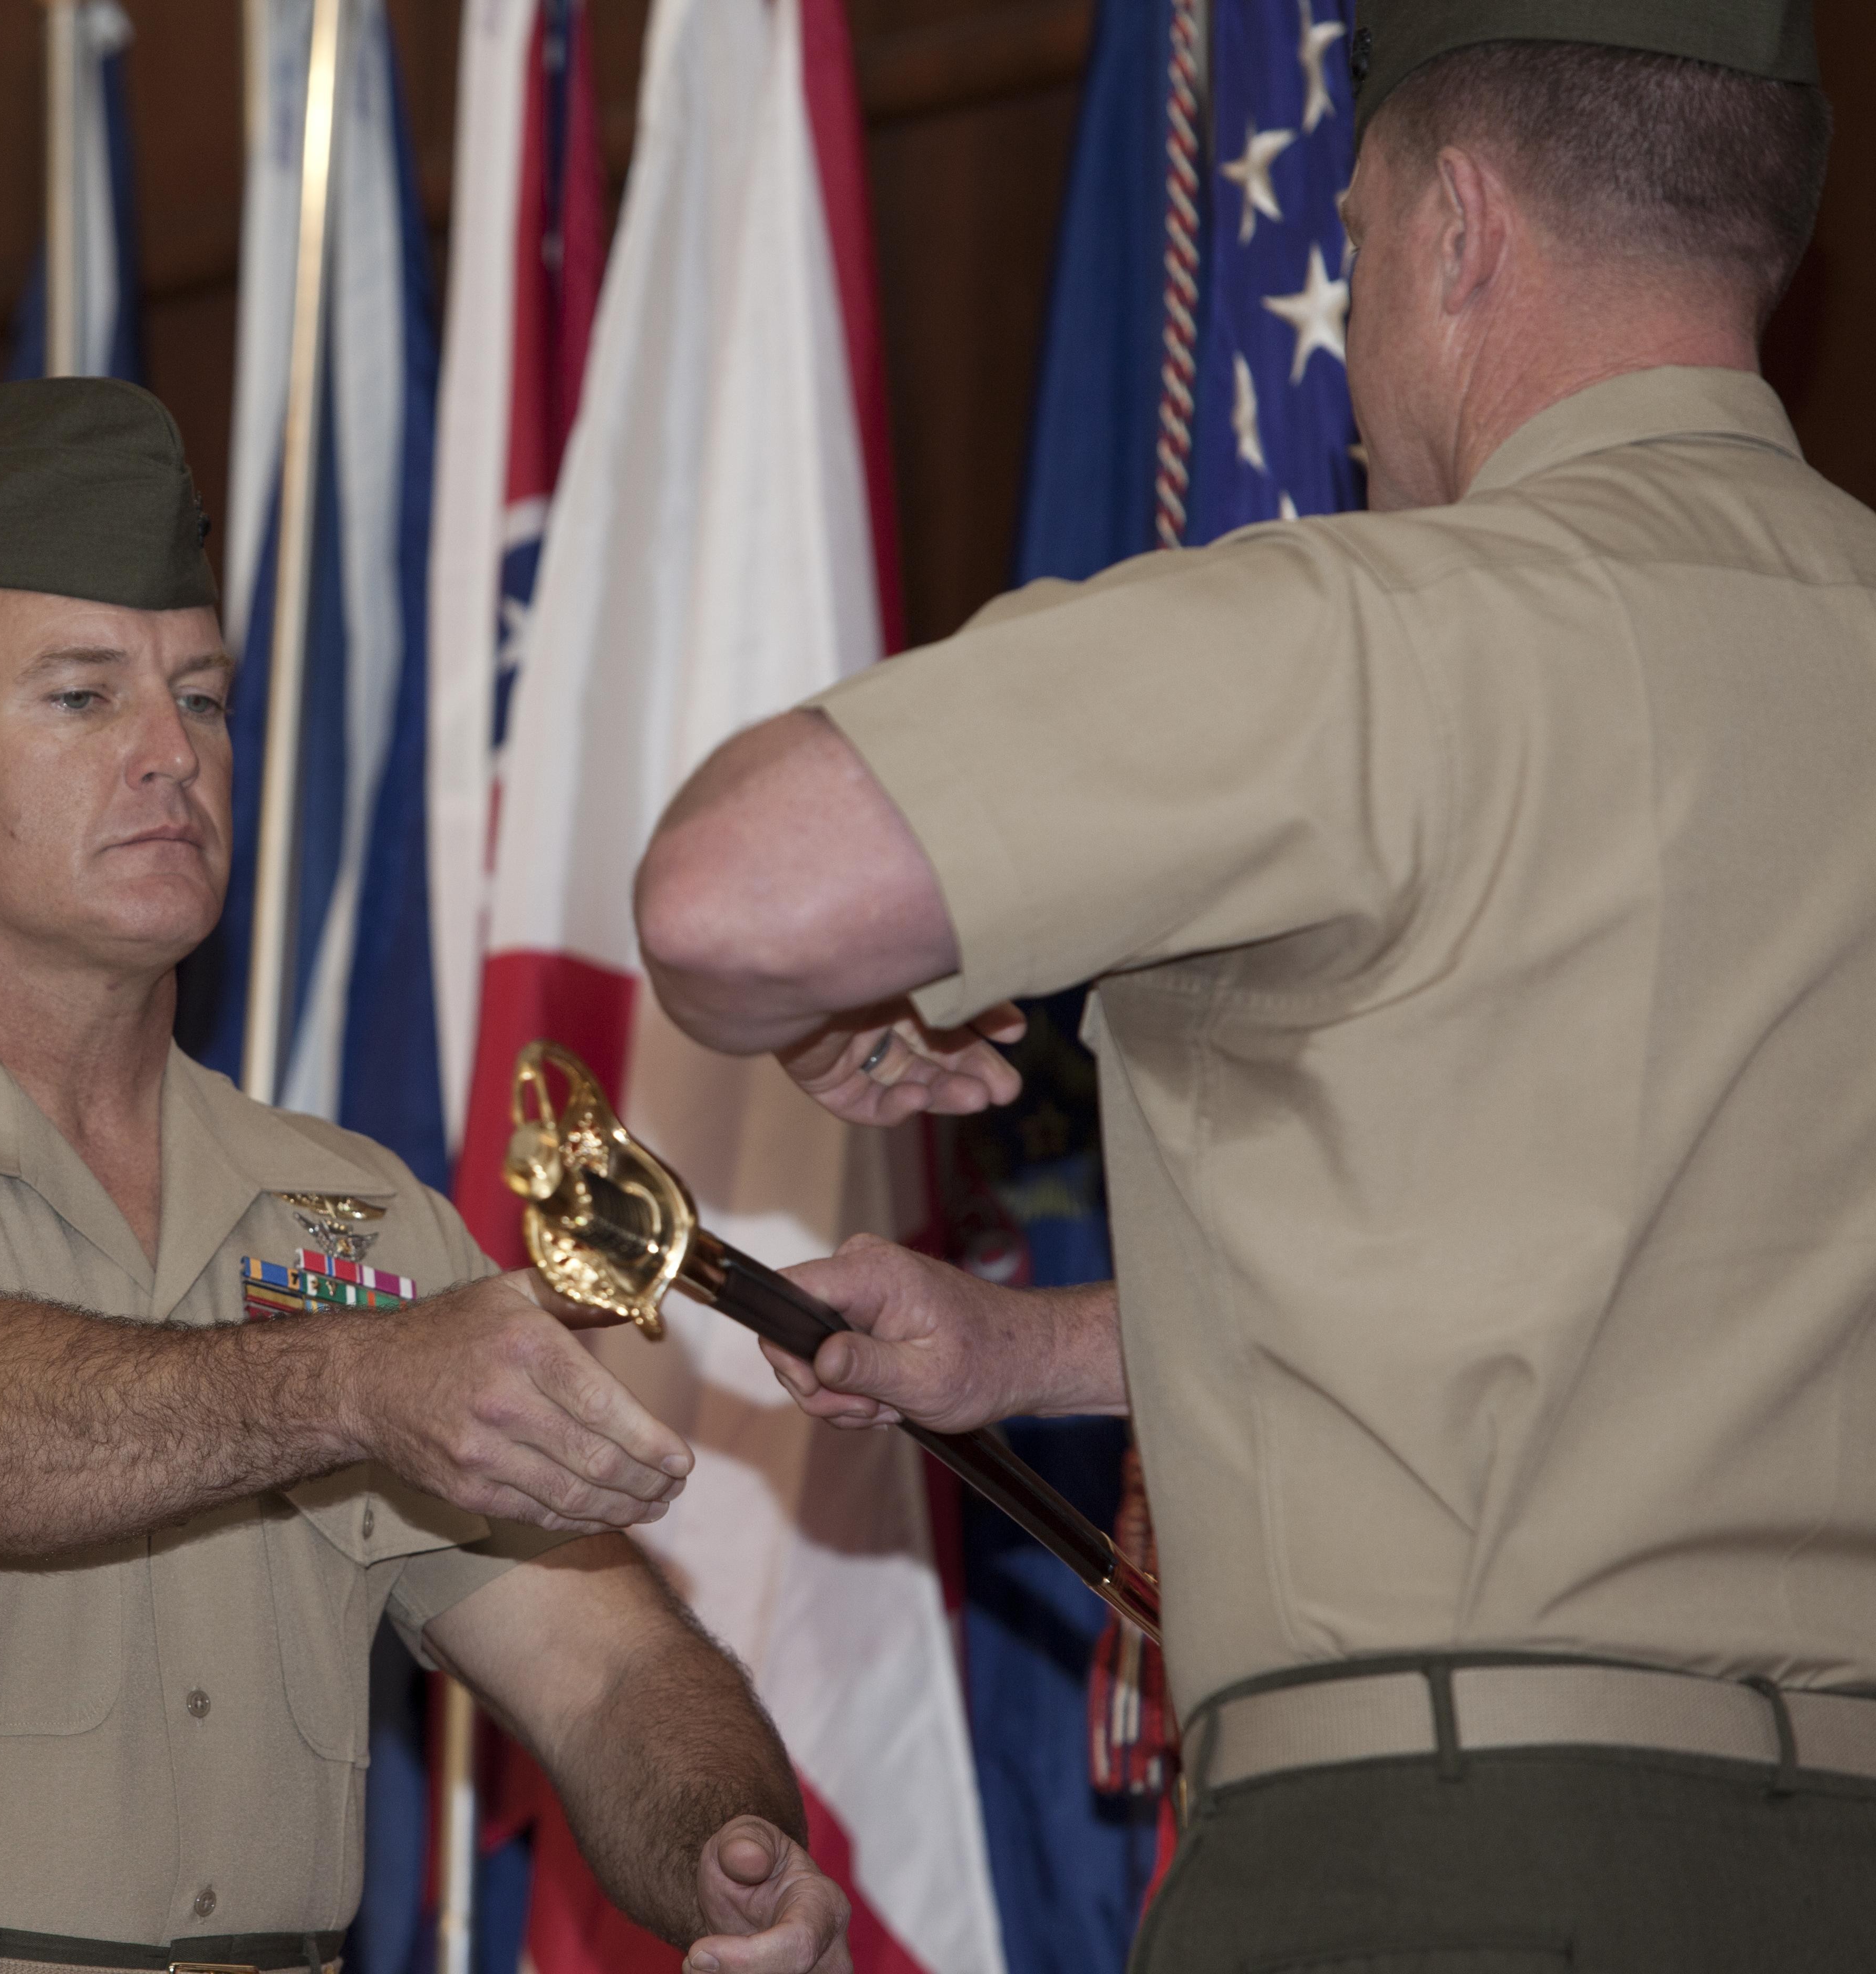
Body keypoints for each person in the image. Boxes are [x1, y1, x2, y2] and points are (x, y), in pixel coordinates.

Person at [634, 3, 1876, 1967]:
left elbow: (727, 894)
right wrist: (1031, 1357)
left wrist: (817, 995)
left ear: (1460, 230)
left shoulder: (1377, 633)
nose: (1362, 320)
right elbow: (1637, 1265)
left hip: (1445, 1873)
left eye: (1359, 243)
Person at [0, 379, 848, 1974]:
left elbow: (599, 1660)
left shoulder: (357, 1212)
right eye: (85, 698)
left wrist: (729, 1845)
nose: (175, 755)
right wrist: (354, 1384)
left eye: (208, 699)